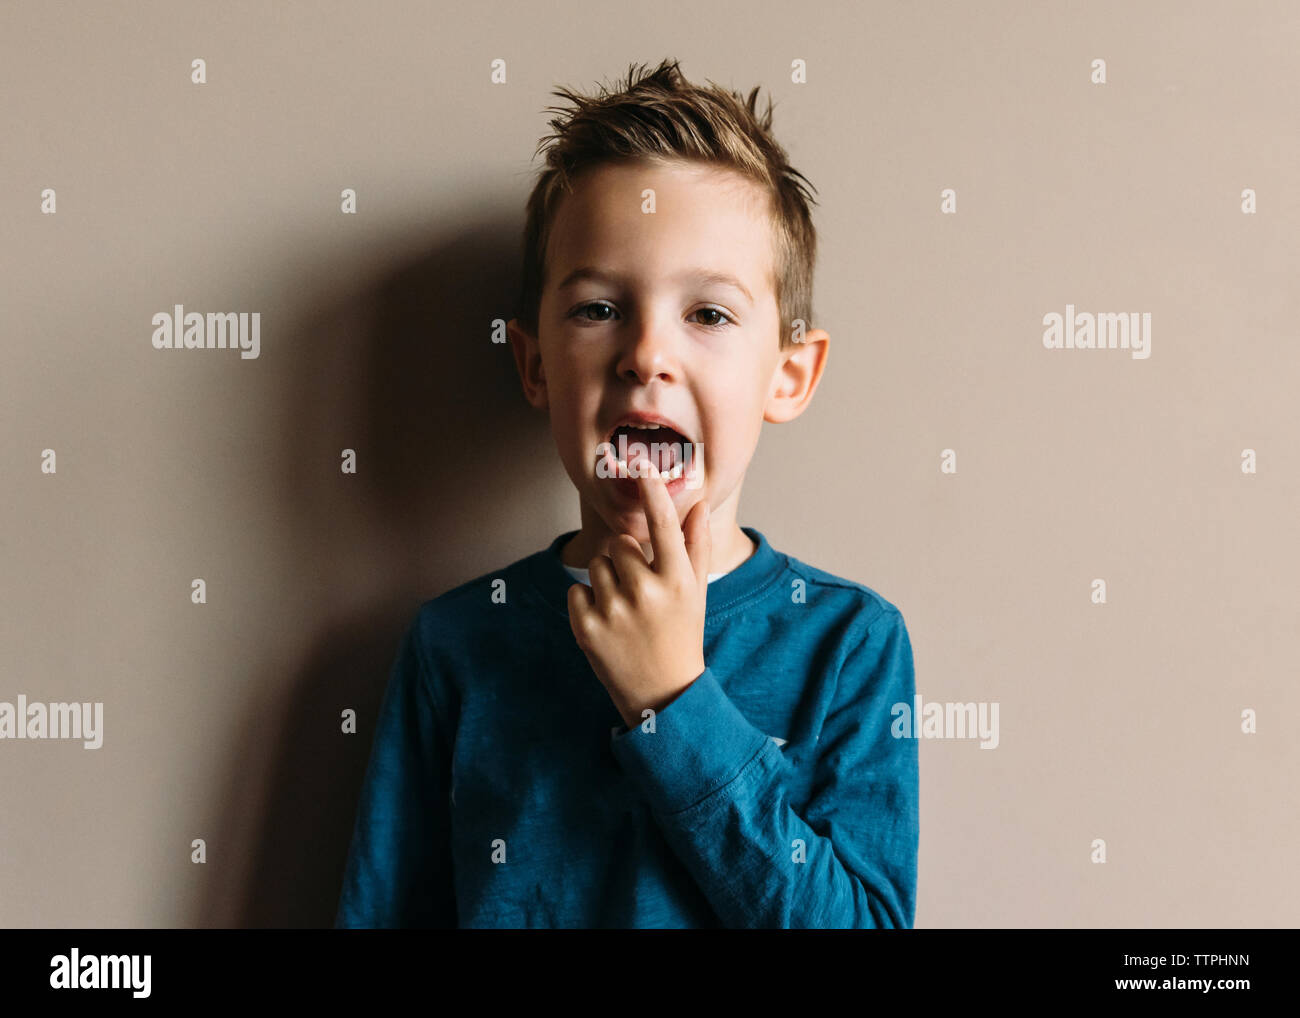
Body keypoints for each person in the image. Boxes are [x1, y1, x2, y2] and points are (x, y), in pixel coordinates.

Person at [334, 58, 918, 928]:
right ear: (534, 364)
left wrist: (674, 703)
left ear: (789, 376)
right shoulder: (455, 645)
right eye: (600, 309)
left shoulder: (851, 645)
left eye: (708, 315)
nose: (646, 355)